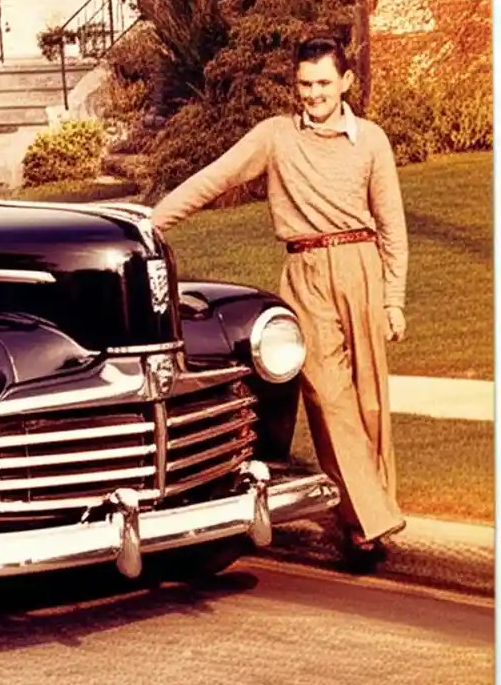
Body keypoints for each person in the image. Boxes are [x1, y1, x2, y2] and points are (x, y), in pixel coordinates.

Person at [148, 35, 408, 572]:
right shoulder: (275, 137)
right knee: (329, 398)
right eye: (304, 84)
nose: (313, 94)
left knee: (369, 403)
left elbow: (392, 226)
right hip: (306, 274)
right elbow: (212, 179)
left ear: (346, 83)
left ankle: (366, 515)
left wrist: (392, 299)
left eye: (323, 84)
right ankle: (367, 525)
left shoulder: (372, 141)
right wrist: (148, 223)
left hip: (361, 268)